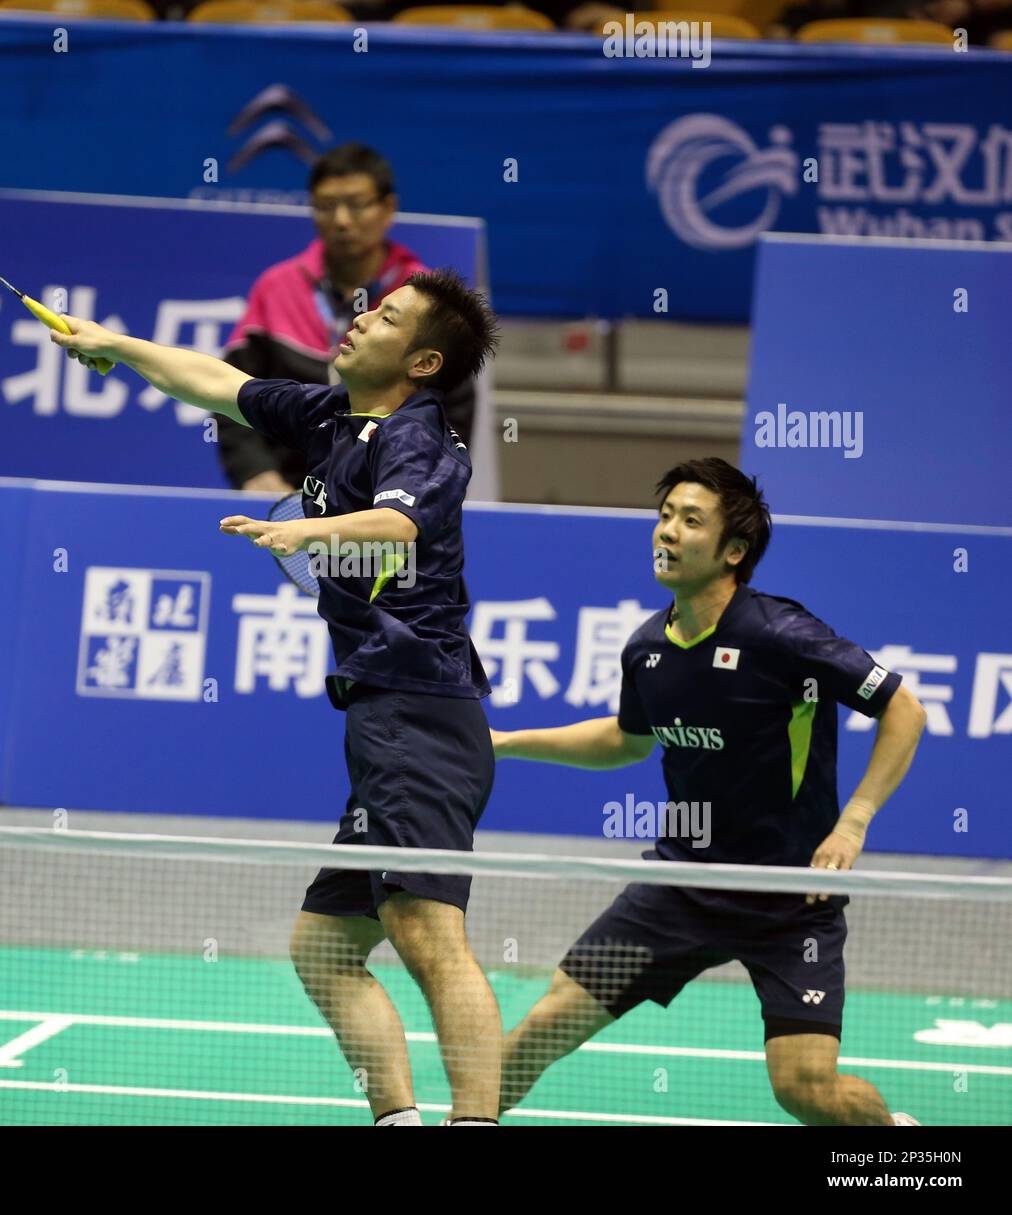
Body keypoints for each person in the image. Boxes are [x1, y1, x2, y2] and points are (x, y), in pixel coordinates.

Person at [52, 269, 503, 1126]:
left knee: (427, 933)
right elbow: (220, 385)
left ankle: (475, 1120)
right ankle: (399, 1120)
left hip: (421, 709)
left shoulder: (419, 441)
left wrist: (305, 529)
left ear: (423, 359)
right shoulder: (333, 416)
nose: (362, 317)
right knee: (327, 947)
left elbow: (400, 526)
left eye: (389, 317)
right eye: (370, 306)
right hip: (381, 715)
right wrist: (114, 343)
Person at [490, 458, 928, 1126]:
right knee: (541, 1028)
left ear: (733, 551)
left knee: (805, 1087)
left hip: (790, 896)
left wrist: (854, 821)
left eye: (690, 520)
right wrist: (508, 742)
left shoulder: (782, 634)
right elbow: (628, 739)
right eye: (665, 515)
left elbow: (904, 709)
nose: (667, 531)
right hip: (682, 883)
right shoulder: (646, 648)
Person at [217, 143, 477, 495]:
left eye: (356, 205)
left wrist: (410, 488)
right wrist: (256, 474)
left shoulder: (425, 299)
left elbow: (454, 410)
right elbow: (234, 391)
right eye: (326, 206)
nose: (341, 220)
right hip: (287, 497)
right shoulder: (276, 288)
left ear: (387, 208)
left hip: (389, 494)